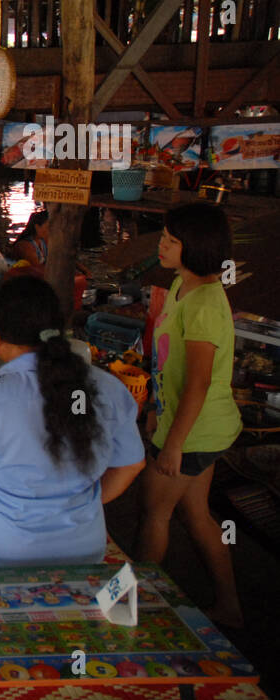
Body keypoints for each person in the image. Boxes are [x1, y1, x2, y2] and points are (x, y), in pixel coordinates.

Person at [0, 275, 145, 568]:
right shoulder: (108, 388)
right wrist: (72, 510)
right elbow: (131, 464)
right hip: (85, 547)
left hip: (1, 551)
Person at [137, 203, 244, 627]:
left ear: (195, 247)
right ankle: (230, 607)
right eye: (163, 237)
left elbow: (198, 383)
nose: (161, 246)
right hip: (194, 427)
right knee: (195, 514)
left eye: (171, 241)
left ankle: (133, 610)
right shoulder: (183, 287)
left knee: (152, 514)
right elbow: (171, 369)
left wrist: (172, 446)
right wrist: (153, 410)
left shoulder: (204, 303)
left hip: (194, 433)